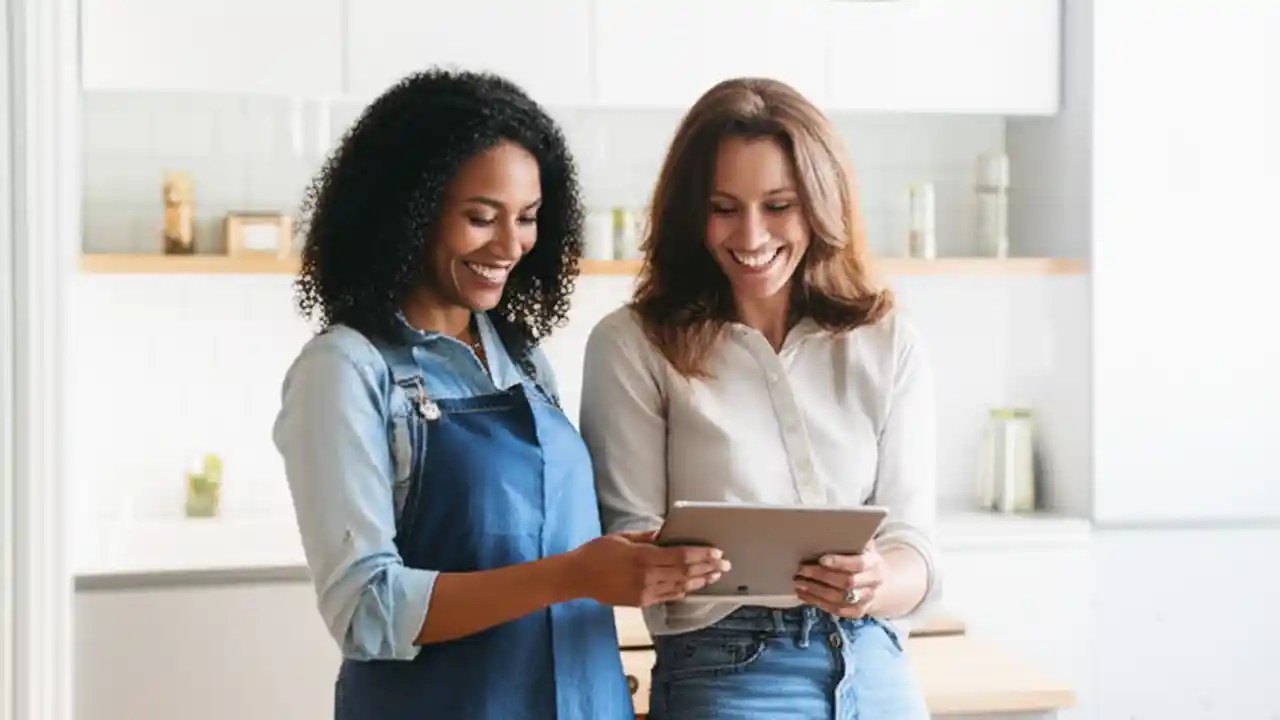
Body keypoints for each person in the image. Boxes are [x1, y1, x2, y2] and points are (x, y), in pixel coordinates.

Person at [273, 69, 728, 720]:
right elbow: (366, 610)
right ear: (410, 211)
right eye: (481, 218)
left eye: (528, 218)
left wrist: (633, 558)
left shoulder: (520, 358)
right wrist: (573, 576)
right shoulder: (345, 370)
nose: (510, 245)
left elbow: (550, 540)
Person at [579, 77, 939, 719]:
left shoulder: (886, 342)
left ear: (820, 205)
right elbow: (629, 547)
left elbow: (915, 551)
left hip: (873, 659)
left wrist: (875, 580)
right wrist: (668, 562)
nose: (751, 235)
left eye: (778, 205)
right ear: (691, 213)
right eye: (723, 207)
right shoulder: (633, 345)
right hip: (726, 666)